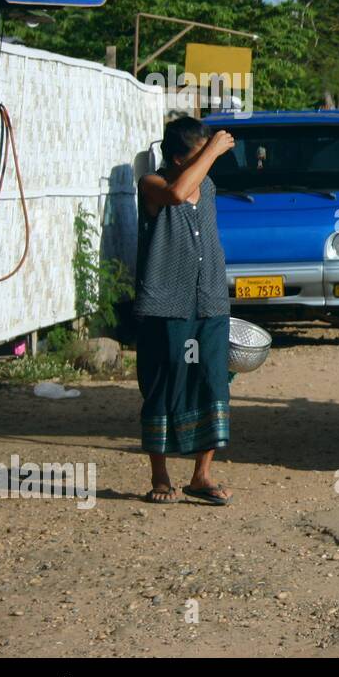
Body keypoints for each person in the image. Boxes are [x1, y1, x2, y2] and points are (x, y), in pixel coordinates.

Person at [134, 116, 236, 506]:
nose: (209, 160)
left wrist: (209, 154)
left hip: (208, 299)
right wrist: (212, 149)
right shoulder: (153, 185)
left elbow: (194, 187)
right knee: (163, 385)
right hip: (165, 304)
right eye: (200, 153)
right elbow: (177, 194)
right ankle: (160, 477)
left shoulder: (206, 185)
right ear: (178, 158)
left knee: (213, 383)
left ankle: (201, 475)